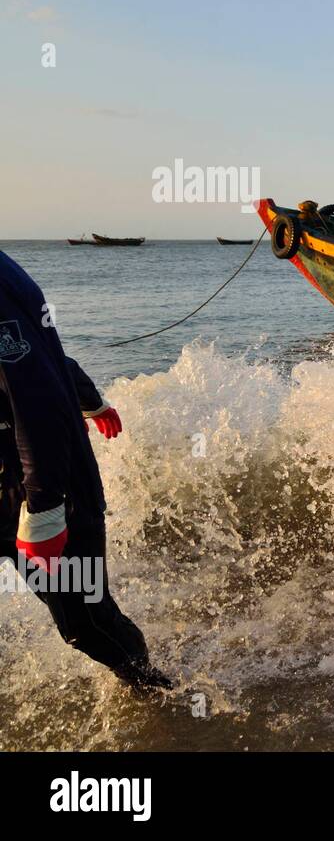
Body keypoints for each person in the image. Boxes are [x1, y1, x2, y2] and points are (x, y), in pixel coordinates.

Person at [0, 250, 171, 691]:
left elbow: (35, 395)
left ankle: (156, 696)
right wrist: (89, 397)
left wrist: (44, 510)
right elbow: (44, 353)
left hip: (43, 485)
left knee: (85, 621)